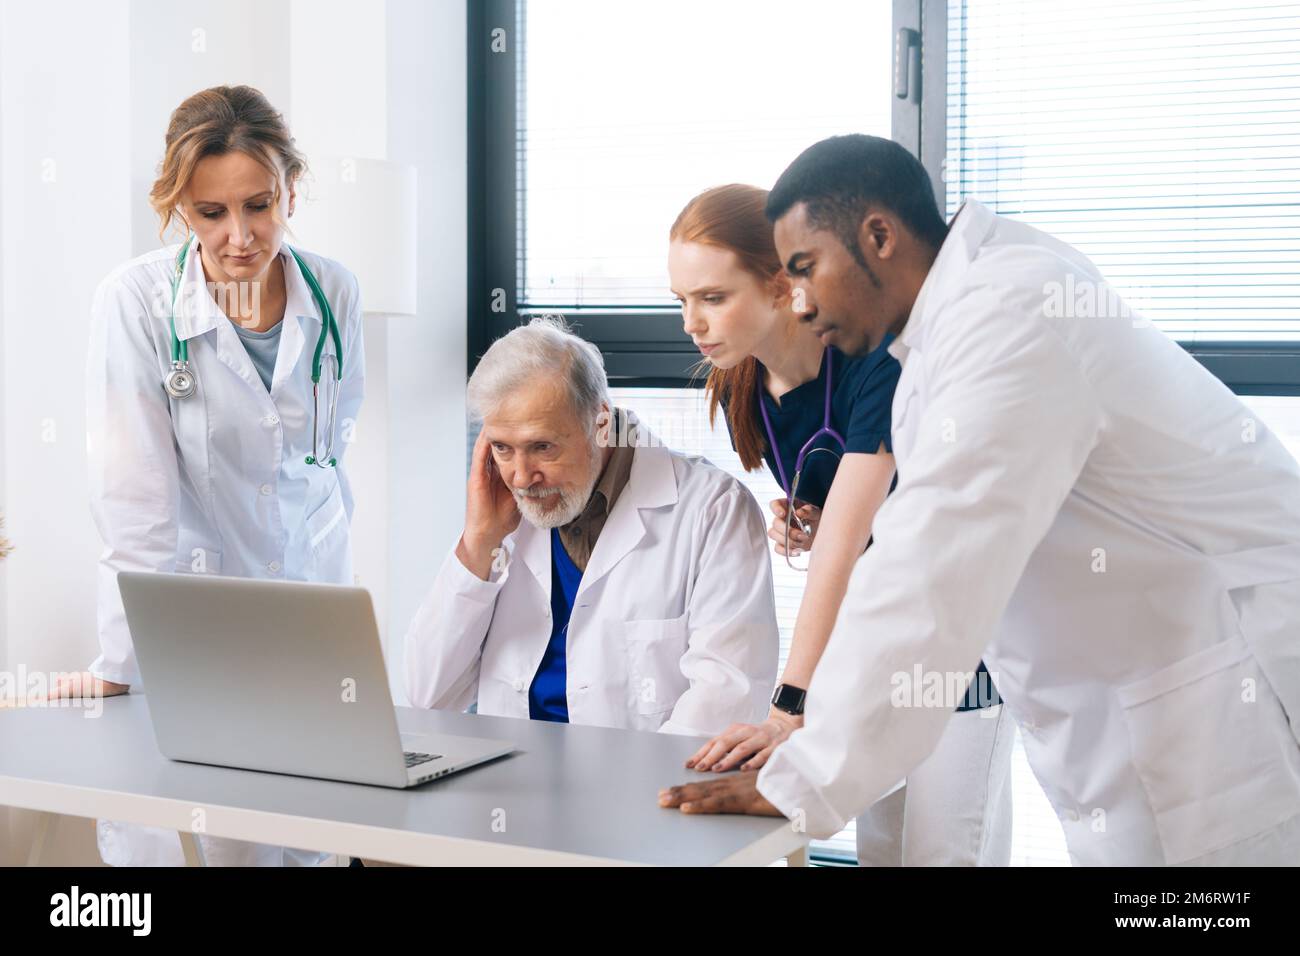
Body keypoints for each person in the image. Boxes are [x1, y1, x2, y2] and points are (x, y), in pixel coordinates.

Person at [660, 134, 1300, 866]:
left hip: (1222, 689)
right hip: (1136, 697)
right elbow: (907, 551)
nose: (799, 302)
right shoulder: (937, 339)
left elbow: (932, 564)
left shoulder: (1008, 313)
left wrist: (799, 773)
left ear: (879, 236)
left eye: (805, 269)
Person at [667, 184, 1011, 865]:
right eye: (680, 301)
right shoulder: (746, 386)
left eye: (712, 298)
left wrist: (790, 705)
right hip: (872, 631)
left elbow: (850, 540)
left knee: (945, 849)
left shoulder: (871, 362)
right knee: (880, 848)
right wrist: (810, 520)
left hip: (955, 630)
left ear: (779, 285)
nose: (691, 324)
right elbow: (844, 526)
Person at [67, 85, 365, 866]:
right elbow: (136, 506)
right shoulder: (134, 302)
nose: (240, 236)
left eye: (259, 204)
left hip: (313, 604)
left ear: (290, 187)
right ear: (178, 210)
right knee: (190, 831)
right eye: (210, 213)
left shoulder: (334, 291)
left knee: (311, 836)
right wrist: (124, 672)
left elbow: (326, 464)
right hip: (191, 612)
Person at [404, 316, 778, 736]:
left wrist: (627, 796)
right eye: (503, 449)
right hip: (506, 787)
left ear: (601, 422)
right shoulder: (499, 519)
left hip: (641, 787)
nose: (522, 477)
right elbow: (429, 696)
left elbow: (729, 698)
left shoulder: (714, 509)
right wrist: (477, 544)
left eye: (542, 447)